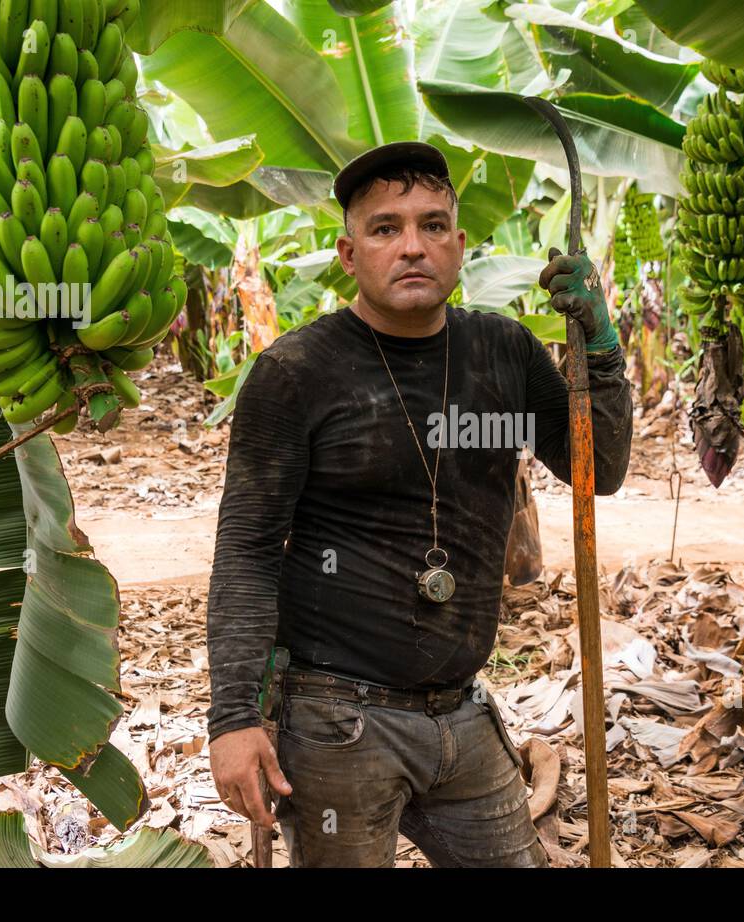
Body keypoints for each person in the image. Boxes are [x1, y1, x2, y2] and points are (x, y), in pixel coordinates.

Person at [205, 141, 633, 867]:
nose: (413, 246)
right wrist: (234, 717)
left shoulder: (503, 352)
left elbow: (600, 471)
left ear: (460, 245)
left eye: (433, 225)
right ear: (348, 252)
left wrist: (603, 352)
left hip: (461, 713)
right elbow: (245, 550)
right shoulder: (296, 374)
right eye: (385, 228)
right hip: (336, 718)